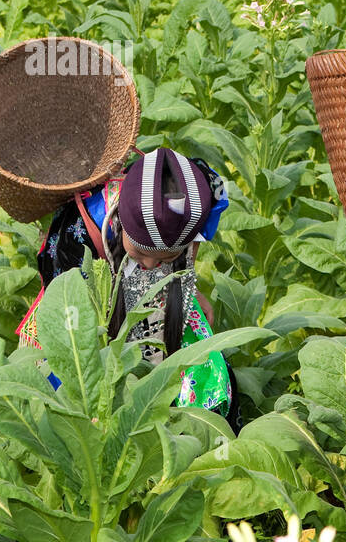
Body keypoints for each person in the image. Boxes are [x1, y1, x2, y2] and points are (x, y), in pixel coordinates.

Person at [17, 147, 235, 420]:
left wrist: (190, 284)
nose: (152, 265)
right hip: (87, 302)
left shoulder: (196, 196)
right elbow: (62, 302)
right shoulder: (82, 227)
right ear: (123, 226)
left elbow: (193, 243)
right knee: (68, 392)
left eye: (166, 257)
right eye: (140, 253)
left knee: (201, 373)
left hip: (161, 295)